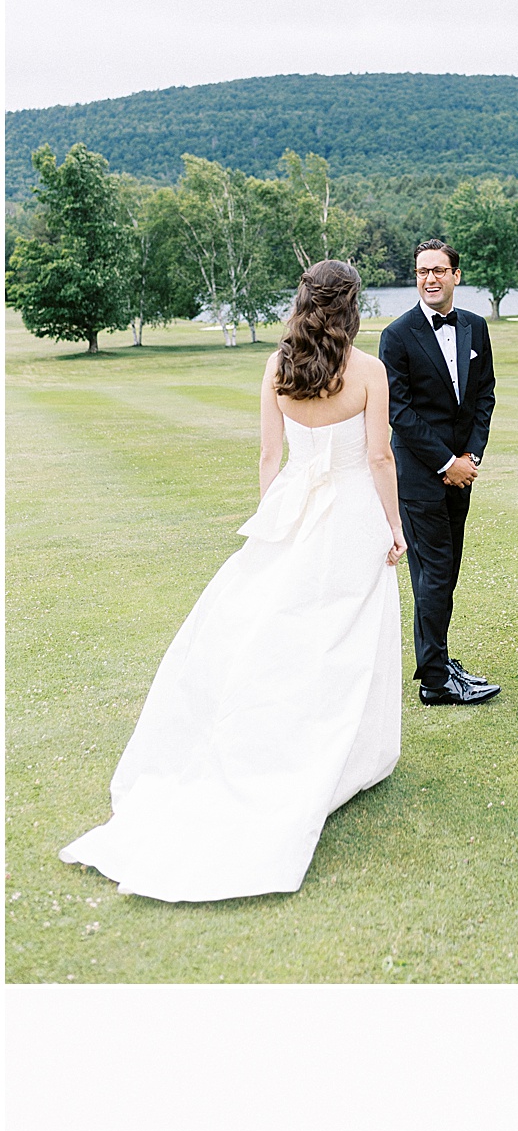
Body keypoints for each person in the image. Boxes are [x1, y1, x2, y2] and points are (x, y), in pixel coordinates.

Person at [60, 260, 404, 902]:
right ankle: (350, 757)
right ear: (353, 305)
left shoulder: (277, 366)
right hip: (353, 515)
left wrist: (272, 522)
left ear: (304, 301)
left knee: (283, 629)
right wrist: (396, 526)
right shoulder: (368, 371)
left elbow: (270, 457)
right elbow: (380, 456)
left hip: (295, 511)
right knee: (346, 634)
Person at [378, 240, 502, 705]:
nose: (429, 278)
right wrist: (446, 463)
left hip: (462, 473)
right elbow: (400, 411)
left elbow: (484, 395)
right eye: (421, 271)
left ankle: (438, 660)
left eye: (438, 270)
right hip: (418, 477)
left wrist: (471, 457)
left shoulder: (475, 327)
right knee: (433, 574)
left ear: (456, 275)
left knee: (444, 574)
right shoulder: (397, 335)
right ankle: (435, 681)